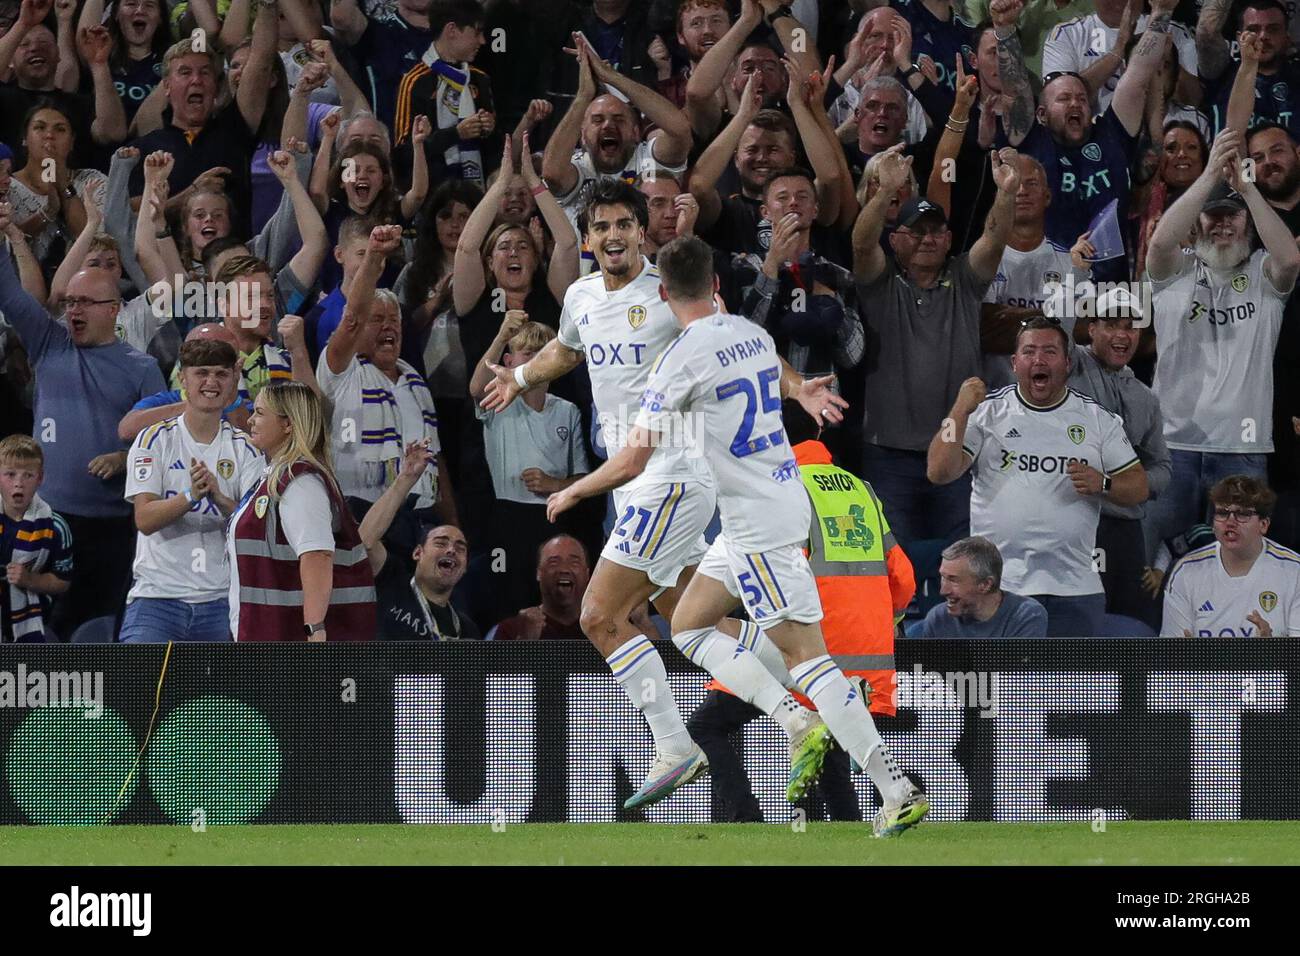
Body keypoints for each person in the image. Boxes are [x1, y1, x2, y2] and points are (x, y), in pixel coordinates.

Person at [547, 234, 929, 837]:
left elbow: (631, 462)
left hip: (757, 523)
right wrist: (799, 386)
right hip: (768, 501)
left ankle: (894, 786)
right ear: (717, 287)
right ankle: (790, 715)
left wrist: (573, 490)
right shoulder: (747, 333)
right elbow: (772, 370)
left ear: (665, 292)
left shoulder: (682, 358)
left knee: (810, 658)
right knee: (689, 623)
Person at [482, 181, 809, 811]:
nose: (611, 237)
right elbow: (568, 349)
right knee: (694, 620)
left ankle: (675, 745)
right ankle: (804, 702)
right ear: (588, 238)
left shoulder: (665, 296)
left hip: (672, 473)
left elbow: (740, 346)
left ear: (641, 233)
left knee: (600, 616)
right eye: (600, 227)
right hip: (635, 486)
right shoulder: (579, 296)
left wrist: (798, 390)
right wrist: (520, 375)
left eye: (623, 225)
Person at [687, 400, 916, 821]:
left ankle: (744, 823)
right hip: (866, 657)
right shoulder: (860, 489)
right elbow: (903, 580)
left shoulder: (776, 490)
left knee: (708, 727)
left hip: (803, 647)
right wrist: (881, 620)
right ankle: (849, 827)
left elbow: (763, 576)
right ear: (818, 436)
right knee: (827, 740)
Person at [1, 200, 166, 637]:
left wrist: (124, 457)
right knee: (36, 630)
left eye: (85, 303)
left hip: (109, 529)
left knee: (94, 633)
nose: (73, 310)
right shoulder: (49, 343)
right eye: (69, 301)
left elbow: (163, 445)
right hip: (43, 520)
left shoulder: (141, 367)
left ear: (114, 309)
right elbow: (12, 296)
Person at [927, 318, 1150, 637]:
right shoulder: (988, 413)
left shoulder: (1097, 420)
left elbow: (1139, 487)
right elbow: (938, 471)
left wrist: (1103, 483)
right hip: (1000, 589)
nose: (1039, 360)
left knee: (1071, 687)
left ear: (1068, 363)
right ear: (1014, 363)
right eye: (1029, 351)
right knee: (1002, 687)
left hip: (1074, 588)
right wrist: (960, 410)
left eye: (1049, 351)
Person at [851, 144, 1021, 548]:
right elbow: (861, 244)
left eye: (936, 231)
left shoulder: (965, 277)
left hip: (956, 446)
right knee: (894, 561)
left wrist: (1007, 193)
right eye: (917, 231)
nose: (928, 239)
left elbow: (994, 239)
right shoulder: (879, 281)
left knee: (961, 556)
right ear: (896, 240)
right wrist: (883, 193)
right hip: (888, 453)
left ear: (948, 239)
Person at [1143, 128, 1300, 559]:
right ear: (1197, 225)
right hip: (1172, 445)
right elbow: (1159, 242)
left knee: (1240, 561)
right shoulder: (1175, 273)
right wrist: (1212, 172)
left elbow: (1290, 259)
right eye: (1214, 216)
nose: (1224, 224)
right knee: (1151, 557)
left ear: (1247, 222)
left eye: (1232, 216)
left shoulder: (1264, 278)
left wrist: (1247, 190)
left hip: (1242, 447)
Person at [121, 338, 264, 642]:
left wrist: (221, 499)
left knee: (224, 692)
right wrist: (191, 496)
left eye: (221, 374)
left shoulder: (247, 450)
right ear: (183, 378)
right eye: (202, 373)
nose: (211, 382)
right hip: (157, 598)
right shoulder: (153, 439)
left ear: (232, 381)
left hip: (222, 600)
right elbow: (144, 519)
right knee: (137, 689)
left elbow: (256, 531)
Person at [318, 224, 456, 531]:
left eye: (394, 320)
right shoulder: (342, 372)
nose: (388, 327)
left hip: (421, 517)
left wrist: (451, 524)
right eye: (377, 320)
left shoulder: (416, 383)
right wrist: (374, 259)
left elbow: (436, 460)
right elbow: (352, 318)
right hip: (361, 513)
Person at [228, 381, 376, 642]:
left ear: (287, 424)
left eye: (260, 413)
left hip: (290, 641)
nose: (250, 420)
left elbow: (317, 555)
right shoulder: (273, 476)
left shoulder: (301, 483)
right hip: (267, 634)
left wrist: (315, 629)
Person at [469, 313, 589, 618]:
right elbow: (476, 388)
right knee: (508, 599)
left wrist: (554, 484)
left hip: (552, 517)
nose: (536, 360)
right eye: (528, 353)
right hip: (506, 517)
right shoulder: (499, 400)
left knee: (552, 602)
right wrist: (499, 337)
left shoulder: (568, 411)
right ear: (509, 362)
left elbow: (583, 478)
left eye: (543, 354)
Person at [1068, 296, 1172, 627]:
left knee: (1131, 627)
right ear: (1091, 329)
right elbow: (1057, 327)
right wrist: (1076, 272)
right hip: (1079, 522)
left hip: (1127, 530)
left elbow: (1163, 468)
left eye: (1130, 327)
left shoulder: (1145, 397)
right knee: (1082, 627)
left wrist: (1132, 486)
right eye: (1111, 325)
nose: (1122, 336)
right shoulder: (1071, 369)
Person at [540, 32, 690, 234]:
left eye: (619, 119)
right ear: (582, 136)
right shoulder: (579, 167)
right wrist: (584, 95)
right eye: (598, 120)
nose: (608, 125)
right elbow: (551, 173)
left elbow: (680, 130)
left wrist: (611, 77)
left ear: (637, 132)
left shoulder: (650, 158)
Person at [359, 439, 480, 641]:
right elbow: (365, 543)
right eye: (441, 543)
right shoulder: (392, 583)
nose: (451, 550)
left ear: (465, 566)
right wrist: (406, 478)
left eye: (460, 548)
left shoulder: (467, 629)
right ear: (417, 553)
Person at [1162, 475, 1300, 636]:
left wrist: (1270, 652)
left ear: (1263, 524)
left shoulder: (1294, 570)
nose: (1230, 522)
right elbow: (1171, 655)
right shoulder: (1187, 570)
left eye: (1242, 514)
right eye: (1222, 513)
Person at [391, 0, 492, 186]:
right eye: (477, 32)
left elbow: (494, 150)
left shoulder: (480, 80)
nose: (483, 41)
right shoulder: (415, 82)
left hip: (478, 194)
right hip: (433, 197)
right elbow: (403, 156)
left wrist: (489, 130)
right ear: (452, 30)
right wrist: (456, 134)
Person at [0, 434, 72, 642]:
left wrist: (30, 580)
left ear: (40, 478)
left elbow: (62, 582)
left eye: (28, 475)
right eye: (10, 474)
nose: (19, 484)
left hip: (34, 623)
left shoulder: (56, 527)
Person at [1197, 0, 1300, 141]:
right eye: (1253, 29)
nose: (1263, 36)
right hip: (1236, 161)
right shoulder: (1224, 72)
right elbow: (1206, 32)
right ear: (1239, 38)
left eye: (1273, 29)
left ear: (1287, 37)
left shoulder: (1296, 75)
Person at [911, 535, 1049, 637]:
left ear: (985, 584)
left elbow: (1017, 674)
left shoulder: (1025, 615)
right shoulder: (938, 619)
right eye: (943, 577)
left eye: (953, 580)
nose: (943, 591)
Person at [491, 534, 590, 641]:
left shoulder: (602, 628)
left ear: (587, 574)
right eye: (554, 562)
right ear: (538, 573)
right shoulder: (511, 629)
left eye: (574, 563)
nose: (564, 569)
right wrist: (526, 640)